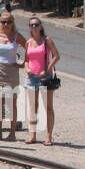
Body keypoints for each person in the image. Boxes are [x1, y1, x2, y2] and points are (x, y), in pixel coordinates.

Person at [23, 18, 61, 146]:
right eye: (31, 25)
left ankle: (49, 136)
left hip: (45, 77)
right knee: (33, 107)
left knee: (48, 107)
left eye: (36, 25)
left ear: (40, 26)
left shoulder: (47, 40)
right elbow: (26, 59)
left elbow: (56, 56)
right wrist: (27, 68)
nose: (34, 27)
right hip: (31, 77)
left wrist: (47, 69)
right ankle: (32, 135)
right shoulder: (28, 42)